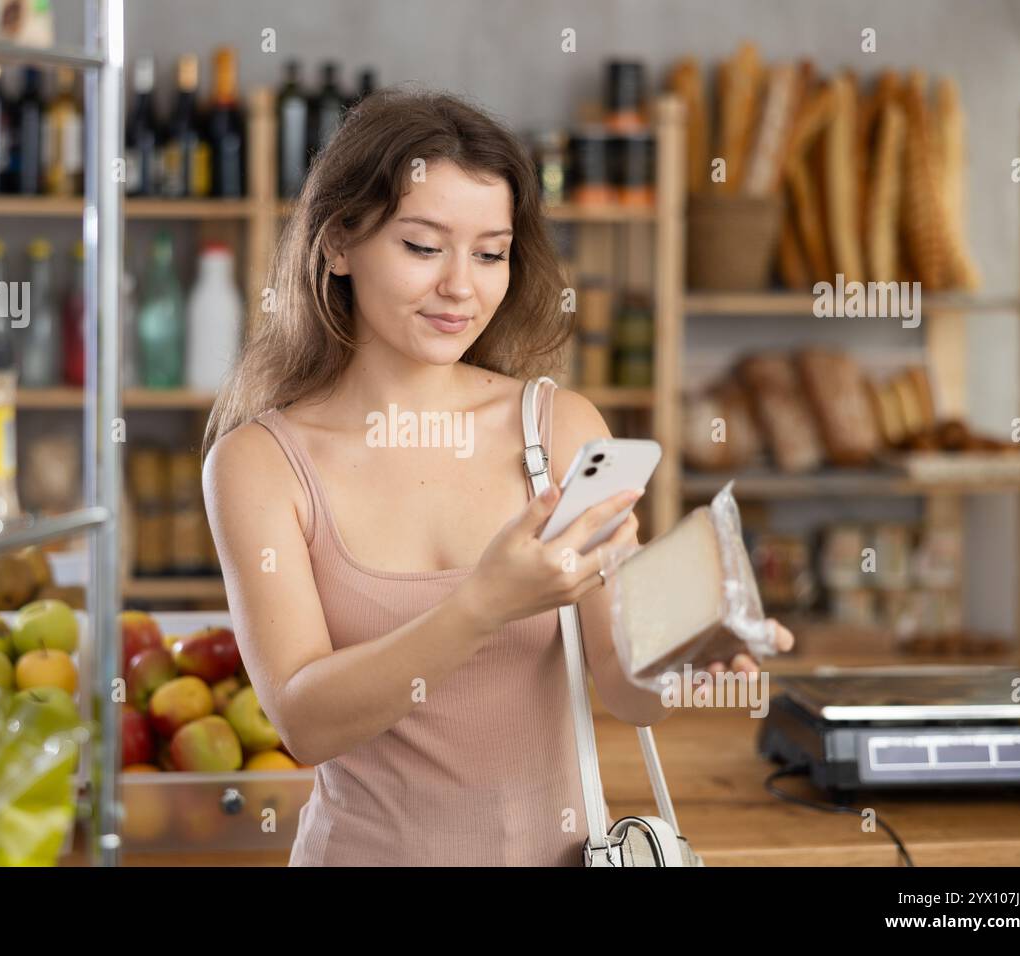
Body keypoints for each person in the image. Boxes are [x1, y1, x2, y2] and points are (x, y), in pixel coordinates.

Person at [202, 86, 794, 866]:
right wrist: (483, 603)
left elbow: (620, 688)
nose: (461, 287)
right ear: (338, 243)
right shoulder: (259, 463)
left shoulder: (561, 430)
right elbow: (305, 724)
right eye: (422, 247)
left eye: (490, 253)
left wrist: (685, 650)